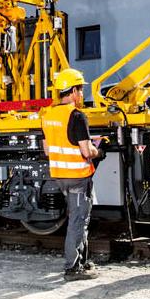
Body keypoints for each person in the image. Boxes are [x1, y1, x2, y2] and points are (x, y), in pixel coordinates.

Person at [41, 68, 102, 281]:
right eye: (81, 89)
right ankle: (72, 267)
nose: (82, 93)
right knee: (78, 220)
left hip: (60, 176)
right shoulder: (76, 116)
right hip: (78, 176)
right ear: (74, 91)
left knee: (78, 217)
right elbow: (86, 152)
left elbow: (48, 150)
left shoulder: (47, 115)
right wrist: (98, 150)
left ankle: (82, 261)